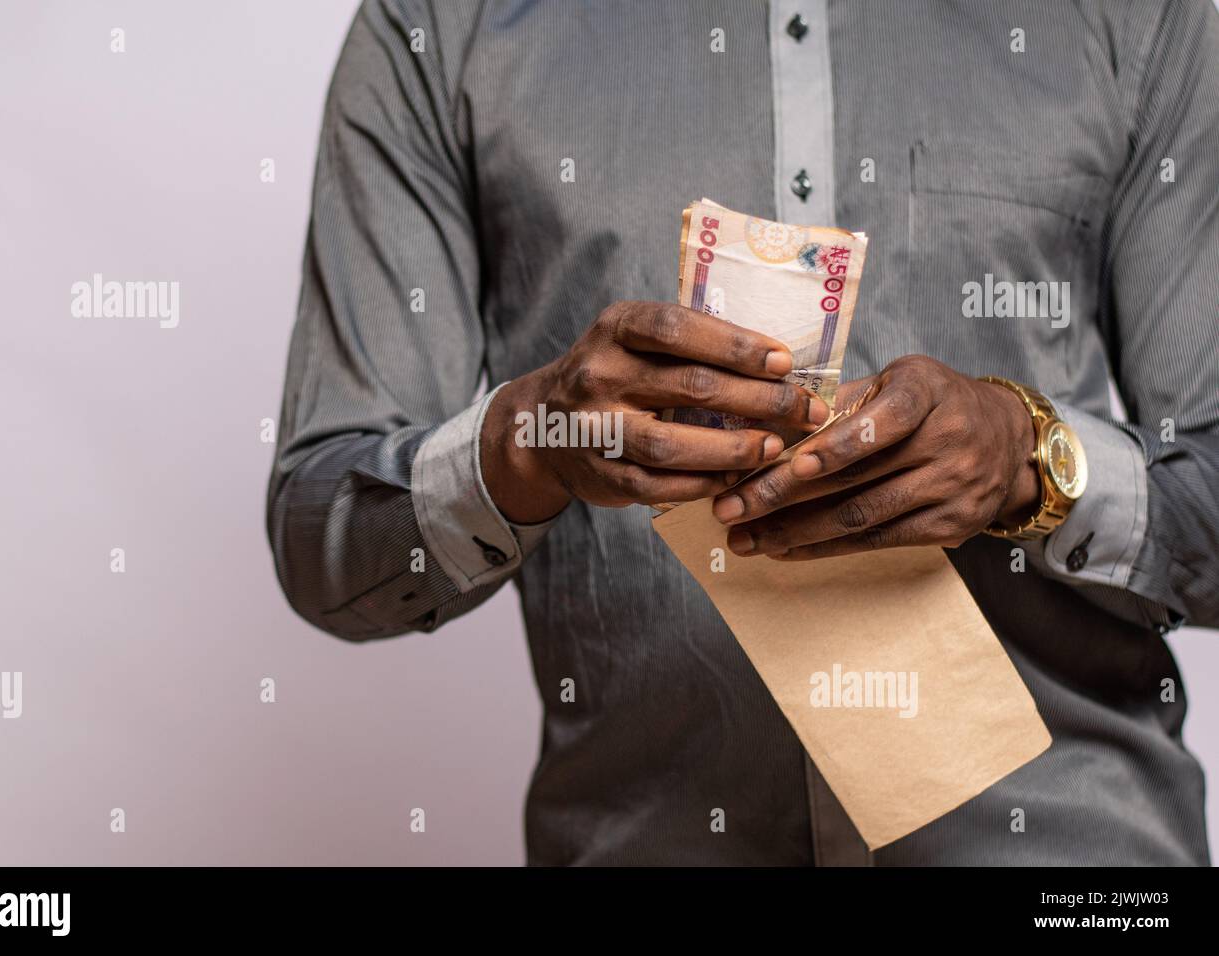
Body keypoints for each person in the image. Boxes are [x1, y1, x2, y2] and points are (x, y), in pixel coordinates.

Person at [267, 0, 1219, 865]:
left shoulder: (1137, 18)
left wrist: (1033, 459)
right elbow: (328, 545)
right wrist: (529, 438)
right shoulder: (442, 24)